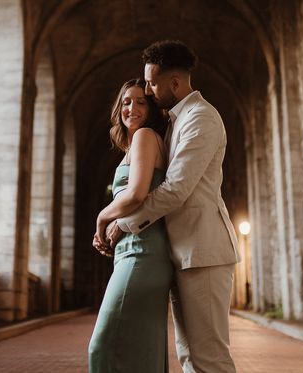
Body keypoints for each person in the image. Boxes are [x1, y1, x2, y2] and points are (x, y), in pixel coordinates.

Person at [102, 40, 241, 373]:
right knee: (189, 356)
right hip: (182, 253)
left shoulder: (201, 118)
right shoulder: (176, 121)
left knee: (209, 357)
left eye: (151, 83)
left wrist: (122, 224)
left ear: (174, 83)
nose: (149, 91)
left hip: (203, 251)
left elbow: (176, 189)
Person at [88, 78, 173, 373]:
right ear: (118, 108)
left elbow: (137, 193)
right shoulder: (134, 146)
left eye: (140, 101)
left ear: (151, 108)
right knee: (140, 348)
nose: (132, 108)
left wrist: (102, 218)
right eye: (126, 101)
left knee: (103, 344)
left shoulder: (146, 137)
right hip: (132, 250)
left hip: (143, 251)